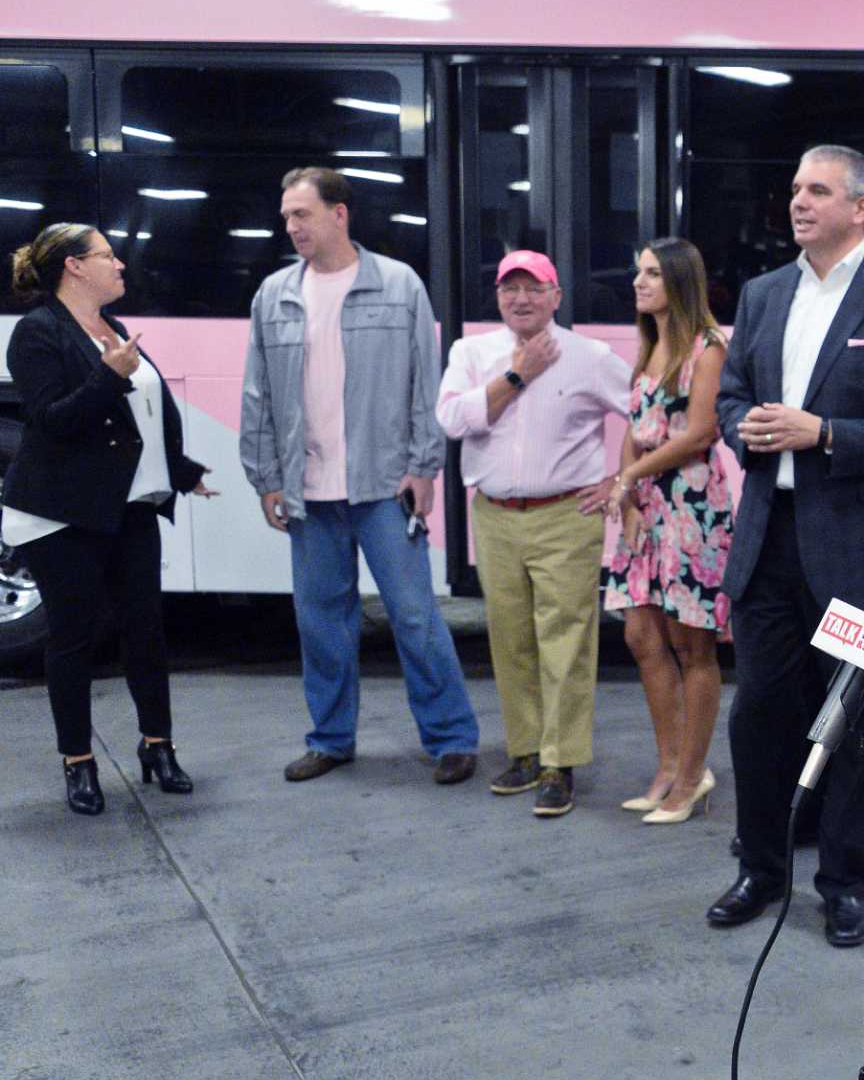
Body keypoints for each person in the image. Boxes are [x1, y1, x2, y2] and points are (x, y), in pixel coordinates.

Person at [710, 144, 864, 948]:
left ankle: (845, 882)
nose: (799, 201)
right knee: (760, 715)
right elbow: (730, 394)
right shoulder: (764, 293)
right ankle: (760, 869)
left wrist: (825, 433)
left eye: (818, 190)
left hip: (861, 556)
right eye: (796, 187)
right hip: (767, 545)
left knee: (856, 726)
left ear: (861, 209)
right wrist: (747, 424)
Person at [240, 167, 482, 786]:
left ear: (339, 214)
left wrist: (424, 467)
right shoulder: (274, 295)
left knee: (415, 617)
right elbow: (258, 394)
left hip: (383, 486)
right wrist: (266, 476)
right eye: (287, 216)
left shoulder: (398, 285)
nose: (291, 226)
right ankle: (330, 739)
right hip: (307, 491)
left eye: (302, 214)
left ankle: (451, 738)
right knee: (320, 622)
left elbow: (423, 385)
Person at [3, 223, 217, 814]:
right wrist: (109, 375)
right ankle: (78, 761)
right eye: (106, 255)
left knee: (146, 630)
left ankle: (158, 747)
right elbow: (52, 421)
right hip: (66, 513)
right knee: (73, 638)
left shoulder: (114, 328)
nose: (120, 264)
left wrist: (181, 469)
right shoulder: (36, 333)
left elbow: (145, 415)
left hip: (131, 508)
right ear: (74, 267)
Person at [436, 250, 629, 819]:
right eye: (509, 288)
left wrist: (621, 480)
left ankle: (559, 763)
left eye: (533, 288)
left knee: (566, 642)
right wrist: (518, 375)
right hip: (493, 514)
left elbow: (647, 415)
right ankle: (523, 751)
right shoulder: (471, 353)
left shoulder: (590, 356)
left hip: (565, 515)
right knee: (510, 637)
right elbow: (451, 420)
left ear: (556, 295)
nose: (521, 298)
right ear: (497, 297)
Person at [595, 238, 732, 825]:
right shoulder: (648, 347)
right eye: (638, 272)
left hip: (691, 504)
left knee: (691, 645)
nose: (639, 282)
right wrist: (625, 489)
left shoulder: (708, 348)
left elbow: (699, 433)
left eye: (652, 273)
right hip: (647, 505)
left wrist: (628, 475)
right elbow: (636, 426)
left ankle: (690, 777)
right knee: (641, 639)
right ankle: (670, 766)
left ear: (679, 281)